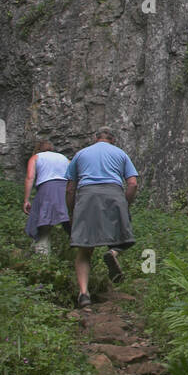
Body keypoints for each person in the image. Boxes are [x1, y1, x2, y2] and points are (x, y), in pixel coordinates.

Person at [65, 128, 140, 309]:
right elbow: (133, 183)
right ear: (112, 140)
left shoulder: (81, 154)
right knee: (123, 238)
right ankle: (113, 253)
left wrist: (72, 211)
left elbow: (70, 188)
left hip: (87, 196)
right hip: (113, 193)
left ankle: (84, 294)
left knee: (84, 249)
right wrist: (125, 204)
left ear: (95, 138)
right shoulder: (120, 154)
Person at [23, 140, 70, 254]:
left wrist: (26, 200)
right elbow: (73, 174)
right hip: (65, 190)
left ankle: (41, 258)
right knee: (71, 223)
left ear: (38, 149)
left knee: (43, 224)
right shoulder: (64, 158)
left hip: (47, 190)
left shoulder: (36, 157)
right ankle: (81, 251)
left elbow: (30, 177)